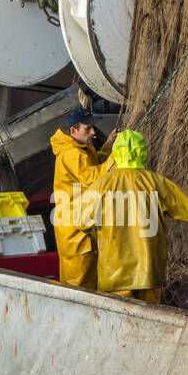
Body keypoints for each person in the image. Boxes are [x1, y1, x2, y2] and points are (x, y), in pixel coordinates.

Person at [87, 130, 188, 304]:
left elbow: (78, 221)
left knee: (116, 324)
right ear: (142, 152)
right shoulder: (156, 182)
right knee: (149, 322)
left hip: (113, 275)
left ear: (116, 152)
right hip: (148, 272)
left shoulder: (101, 185)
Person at [49, 103, 118, 290]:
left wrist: (107, 147)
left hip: (79, 228)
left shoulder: (79, 147)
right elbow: (94, 177)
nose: (93, 131)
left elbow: (92, 166)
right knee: (77, 286)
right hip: (75, 234)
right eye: (88, 128)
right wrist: (117, 156)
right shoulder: (72, 154)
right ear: (73, 130)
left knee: (84, 281)